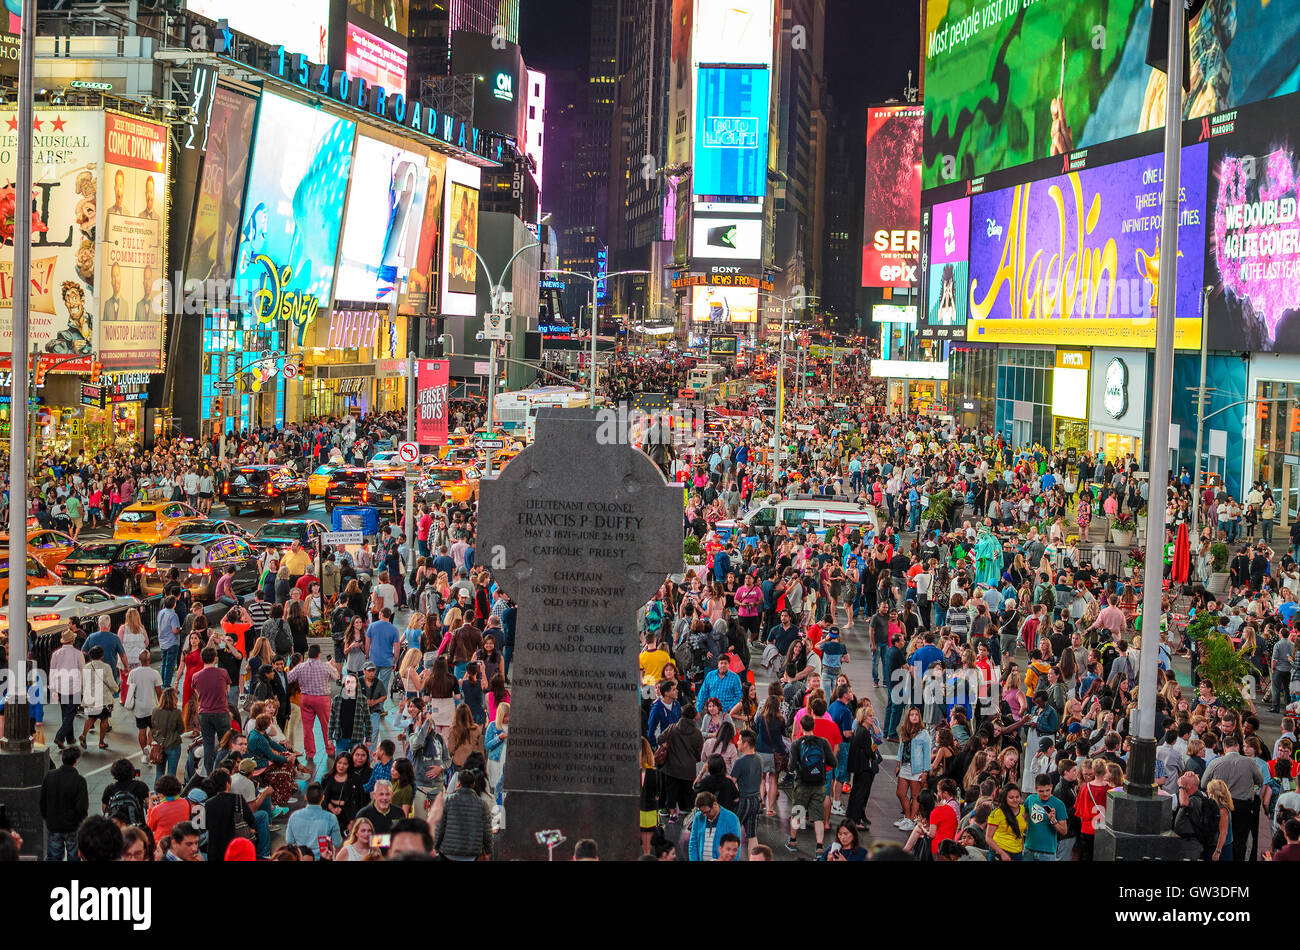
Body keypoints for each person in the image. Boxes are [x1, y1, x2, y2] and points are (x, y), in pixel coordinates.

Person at [787, 712, 836, 856]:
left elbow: (790, 767)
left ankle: (793, 841)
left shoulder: (797, 743)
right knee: (818, 816)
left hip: (802, 783)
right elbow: (833, 762)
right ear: (813, 726)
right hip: (819, 784)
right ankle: (819, 847)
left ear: (801, 727)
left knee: (798, 812)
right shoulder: (823, 742)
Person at [40, 746, 88, 861]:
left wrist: (47, 817)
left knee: (54, 856)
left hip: (54, 824)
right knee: (74, 856)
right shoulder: (79, 780)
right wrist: (80, 821)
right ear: (76, 761)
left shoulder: (50, 776)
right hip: (72, 826)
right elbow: (82, 807)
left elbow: (43, 801)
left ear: (62, 759)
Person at [191, 646, 232, 775]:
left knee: (208, 745)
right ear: (215, 659)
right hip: (221, 711)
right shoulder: (223, 672)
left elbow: (197, 693)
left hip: (204, 713)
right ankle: (225, 770)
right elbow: (227, 691)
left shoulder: (196, 676)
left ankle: (210, 773)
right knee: (225, 743)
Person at [285, 783, 342, 860]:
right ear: (323, 797)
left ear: (305, 797)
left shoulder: (294, 816)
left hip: (301, 858)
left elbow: (289, 841)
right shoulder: (331, 818)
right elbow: (337, 843)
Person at [687, 790, 742, 861]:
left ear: (715, 804)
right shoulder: (698, 817)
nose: (705, 815)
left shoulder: (731, 818)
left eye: (707, 812)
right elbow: (693, 843)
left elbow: (735, 846)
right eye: (702, 812)